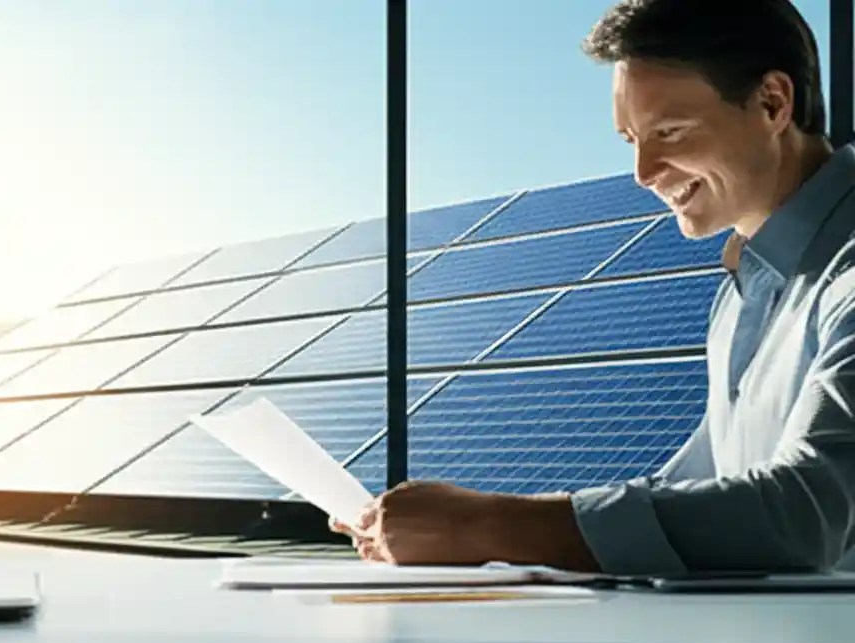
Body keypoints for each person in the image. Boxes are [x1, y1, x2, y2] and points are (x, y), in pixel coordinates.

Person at [332, 0, 855, 575]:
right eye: (631, 138)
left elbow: (805, 517)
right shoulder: (744, 290)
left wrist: (484, 525)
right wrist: (458, 528)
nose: (644, 172)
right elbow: (704, 488)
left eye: (669, 131)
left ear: (773, 103)